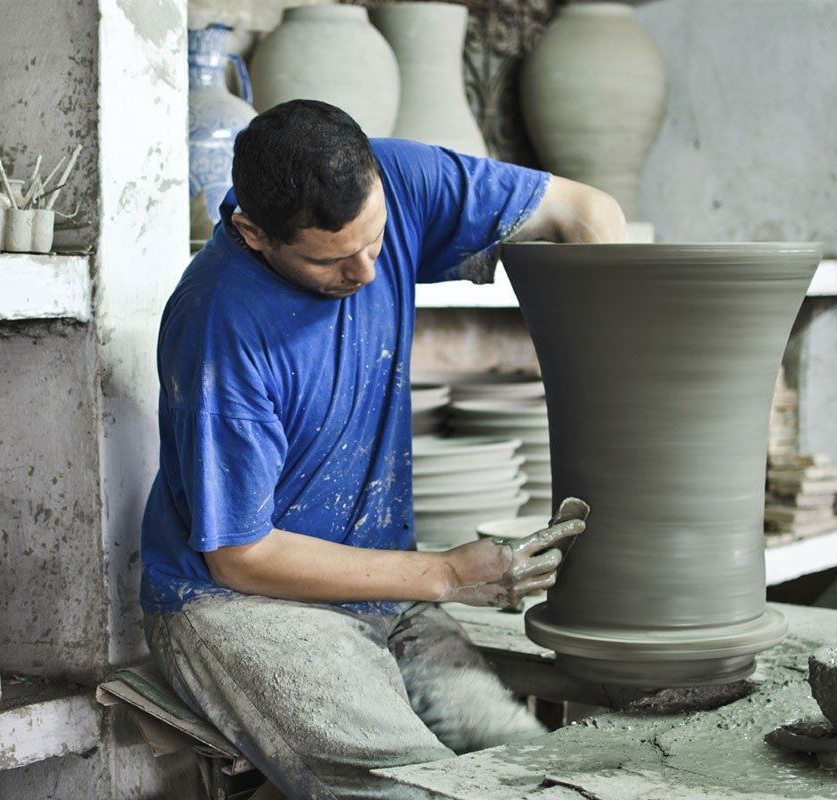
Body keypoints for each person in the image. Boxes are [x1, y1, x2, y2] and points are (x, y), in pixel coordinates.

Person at [139, 99, 624, 799]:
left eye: (377, 241)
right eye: (332, 260)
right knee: (419, 791)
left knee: (530, 769)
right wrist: (447, 576)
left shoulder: (395, 178)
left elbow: (586, 211)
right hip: (235, 606)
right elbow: (241, 555)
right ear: (252, 232)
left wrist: (616, 377)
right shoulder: (219, 324)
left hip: (381, 591)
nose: (368, 273)